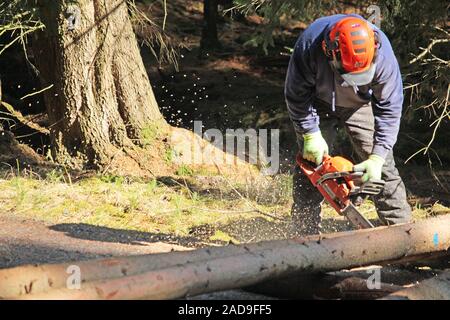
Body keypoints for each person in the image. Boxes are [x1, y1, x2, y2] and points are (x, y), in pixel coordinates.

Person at [285, 14, 412, 235]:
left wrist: (378, 156)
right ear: (328, 51)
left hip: (359, 105)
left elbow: (390, 109)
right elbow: (296, 95)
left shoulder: (383, 56)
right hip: (316, 102)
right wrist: (309, 132)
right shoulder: (309, 46)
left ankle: (402, 232)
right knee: (312, 165)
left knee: (383, 168)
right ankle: (304, 233)